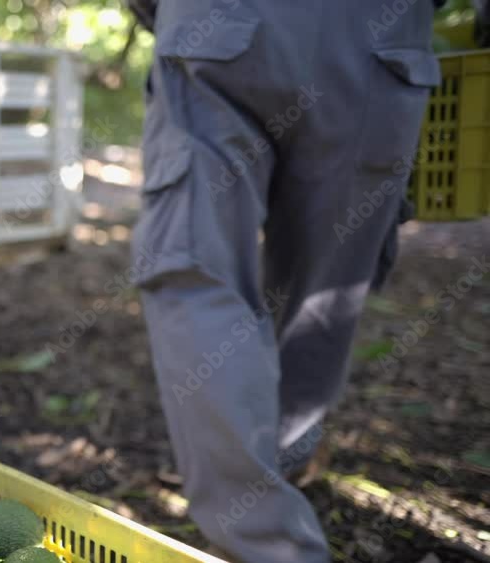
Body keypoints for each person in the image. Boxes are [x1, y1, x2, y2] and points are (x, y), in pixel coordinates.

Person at [128, 1, 446, 561]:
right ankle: (289, 454)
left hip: (218, 24)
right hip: (380, 34)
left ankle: (264, 540)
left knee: (196, 266)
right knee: (326, 276)